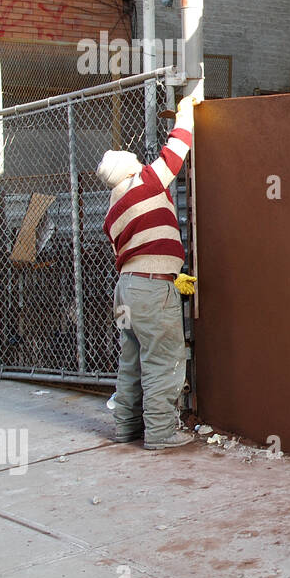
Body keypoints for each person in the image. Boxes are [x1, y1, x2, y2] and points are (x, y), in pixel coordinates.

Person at [97, 85, 201, 449]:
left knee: (132, 360)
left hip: (127, 290)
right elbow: (174, 155)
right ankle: (160, 433)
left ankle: (126, 429)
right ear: (131, 169)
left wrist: (171, 272)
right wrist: (186, 114)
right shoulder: (143, 184)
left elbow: (136, 250)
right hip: (151, 288)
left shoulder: (113, 210)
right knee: (165, 360)